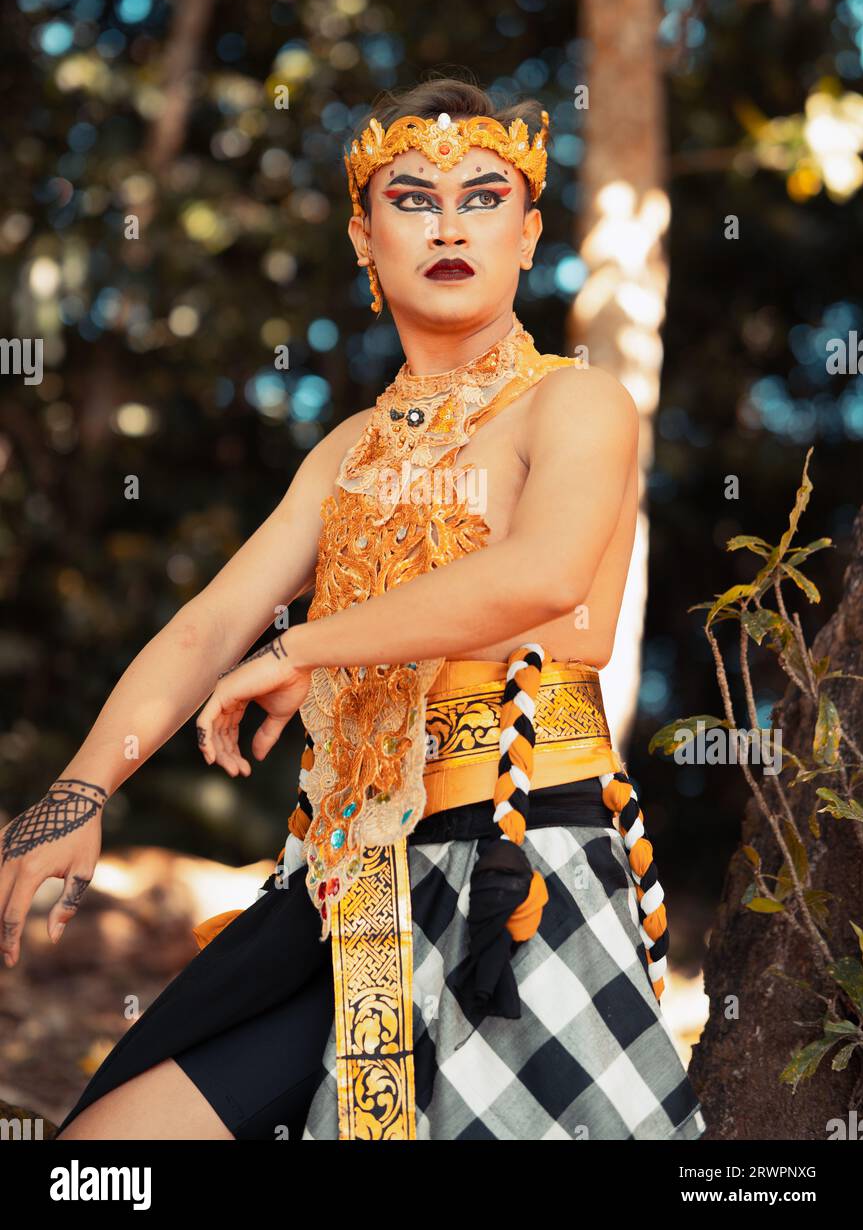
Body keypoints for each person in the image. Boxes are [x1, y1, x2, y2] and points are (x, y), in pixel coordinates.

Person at [3, 76, 705, 1141]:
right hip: (344, 884)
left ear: (527, 235)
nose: (449, 223)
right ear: (363, 240)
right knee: (103, 1153)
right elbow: (209, 623)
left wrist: (310, 648)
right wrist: (75, 794)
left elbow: (546, 576)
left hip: (519, 869)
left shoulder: (575, 402)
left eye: (481, 195)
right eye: (411, 198)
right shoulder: (345, 455)